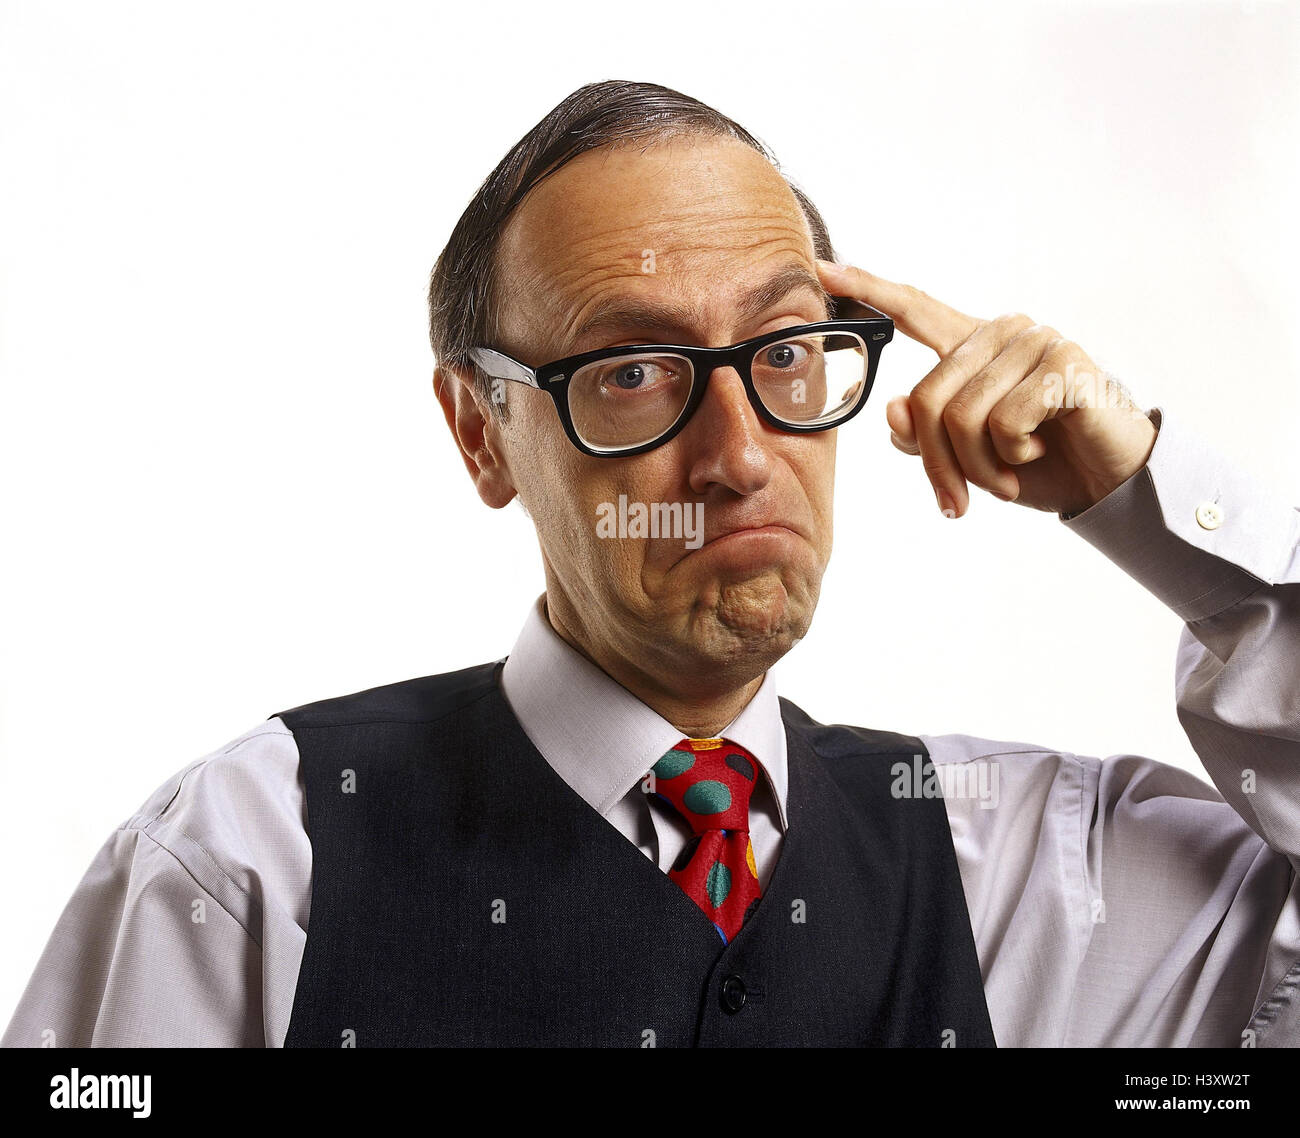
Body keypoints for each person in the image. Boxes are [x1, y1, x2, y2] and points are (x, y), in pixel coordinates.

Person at [5, 79, 1298, 1048]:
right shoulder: (250, 866)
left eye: (786, 352)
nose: (738, 455)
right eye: (633, 372)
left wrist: (1143, 497)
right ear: (480, 433)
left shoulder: (1029, 876)